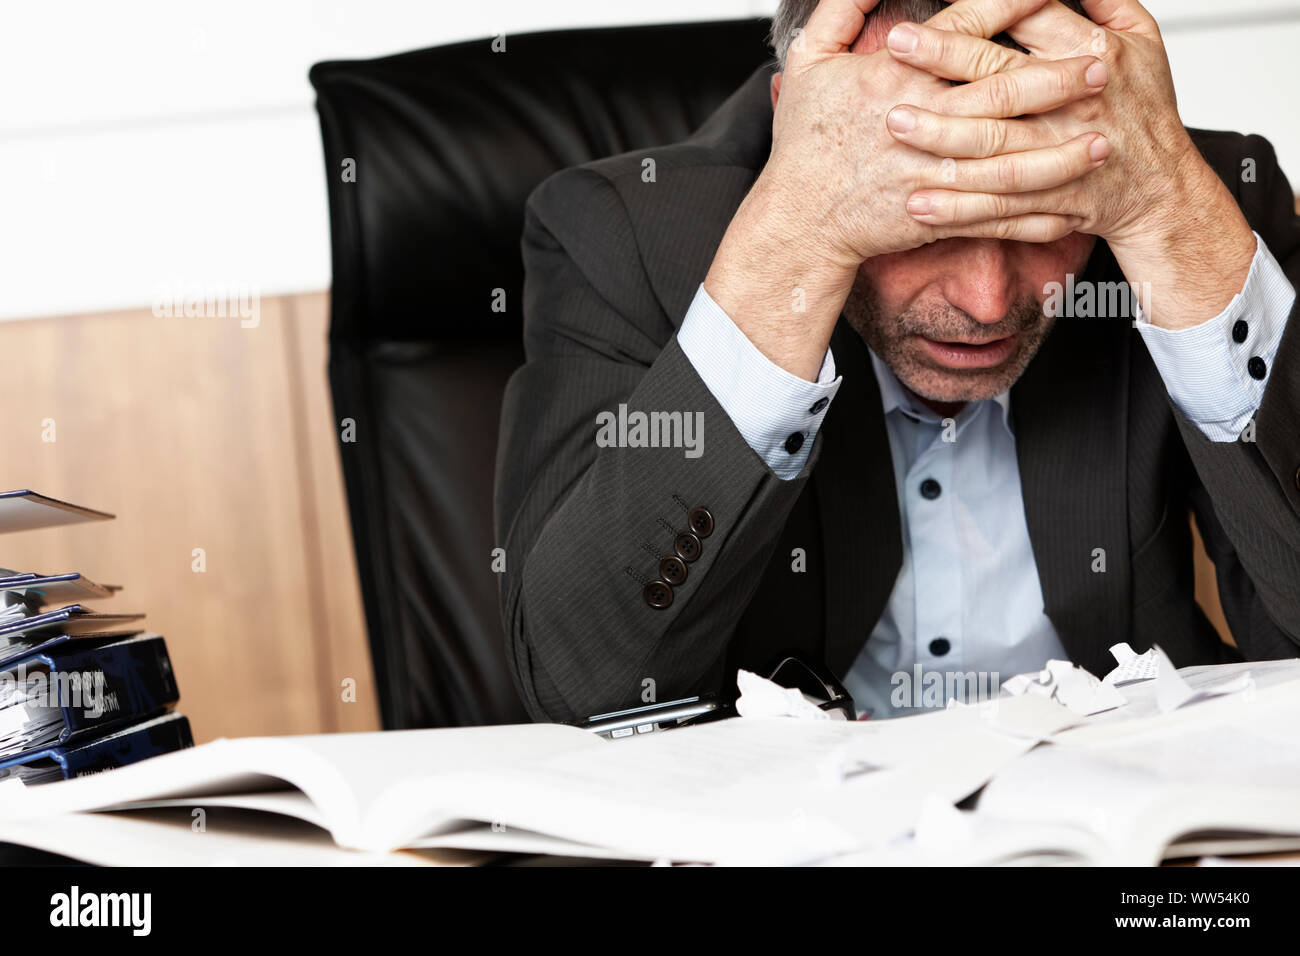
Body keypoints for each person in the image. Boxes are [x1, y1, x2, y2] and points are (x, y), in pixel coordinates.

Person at [494, 0, 1300, 722]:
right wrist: (793, 239)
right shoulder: (627, 235)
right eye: (923, 219)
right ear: (798, 136)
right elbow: (580, 687)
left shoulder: (1187, 204)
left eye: (1047, 214)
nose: (987, 302)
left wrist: (1172, 218)